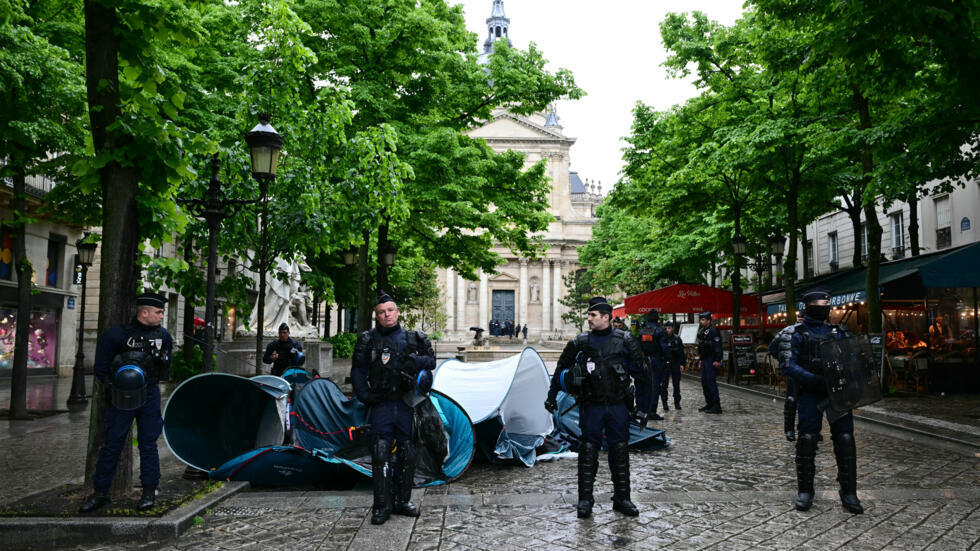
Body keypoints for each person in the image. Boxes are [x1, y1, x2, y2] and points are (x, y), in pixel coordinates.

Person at [544, 297, 650, 519]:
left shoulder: (626, 340)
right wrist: (551, 398)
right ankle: (585, 499)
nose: (589, 319)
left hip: (618, 405)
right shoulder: (580, 342)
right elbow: (561, 370)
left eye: (593, 316)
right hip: (592, 406)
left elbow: (642, 375)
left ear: (606, 317)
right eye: (589, 315)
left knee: (620, 449)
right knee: (588, 450)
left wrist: (643, 407)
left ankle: (622, 498)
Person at [80, 292, 173, 513]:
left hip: (149, 394)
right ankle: (100, 493)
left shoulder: (164, 336)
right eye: (158, 312)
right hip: (120, 397)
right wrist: (117, 387)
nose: (161, 316)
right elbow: (101, 370)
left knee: (148, 444)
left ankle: (149, 492)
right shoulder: (115, 336)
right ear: (145, 312)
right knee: (112, 444)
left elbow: (165, 371)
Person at [773, 288, 864, 514]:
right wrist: (813, 380)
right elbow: (787, 363)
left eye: (827, 302)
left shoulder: (838, 332)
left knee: (845, 438)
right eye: (821, 303)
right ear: (809, 305)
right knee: (807, 438)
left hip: (837, 392)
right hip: (810, 391)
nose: (826, 306)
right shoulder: (795, 332)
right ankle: (805, 491)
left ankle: (849, 491)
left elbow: (853, 359)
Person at [351, 291, 436, 525]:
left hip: (407, 403)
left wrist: (413, 361)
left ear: (397, 313)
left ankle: (402, 501)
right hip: (382, 403)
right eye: (381, 312)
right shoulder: (367, 340)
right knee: (380, 452)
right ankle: (381, 505)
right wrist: (365, 396)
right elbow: (357, 370)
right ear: (376, 316)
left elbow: (431, 361)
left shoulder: (413, 338)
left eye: (390, 310)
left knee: (408, 453)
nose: (386, 315)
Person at [637, 311, 666, 419]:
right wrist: (666, 359)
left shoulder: (642, 331)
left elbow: (639, 346)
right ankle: (652, 411)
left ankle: (644, 408)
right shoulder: (659, 330)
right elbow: (664, 347)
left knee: (646, 385)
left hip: (645, 360)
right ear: (657, 319)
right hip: (656, 360)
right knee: (655, 385)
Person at [696, 311, 723, 414]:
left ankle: (716, 406)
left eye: (703, 320)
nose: (701, 321)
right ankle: (709, 403)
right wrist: (701, 359)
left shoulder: (713, 331)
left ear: (708, 320)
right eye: (701, 319)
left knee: (711, 382)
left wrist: (717, 360)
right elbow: (702, 347)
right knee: (704, 383)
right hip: (705, 359)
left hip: (711, 359)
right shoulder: (703, 331)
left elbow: (717, 346)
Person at [661, 322, 685, 410]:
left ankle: (677, 402)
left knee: (676, 384)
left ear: (673, 328)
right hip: (665, 364)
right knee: (664, 385)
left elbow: (681, 352)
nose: (668, 330)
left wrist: (682, 364)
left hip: (675, 363)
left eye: (669, 328)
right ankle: (664, 403)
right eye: (666, 328)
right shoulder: (662, 339)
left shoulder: (677, 339)